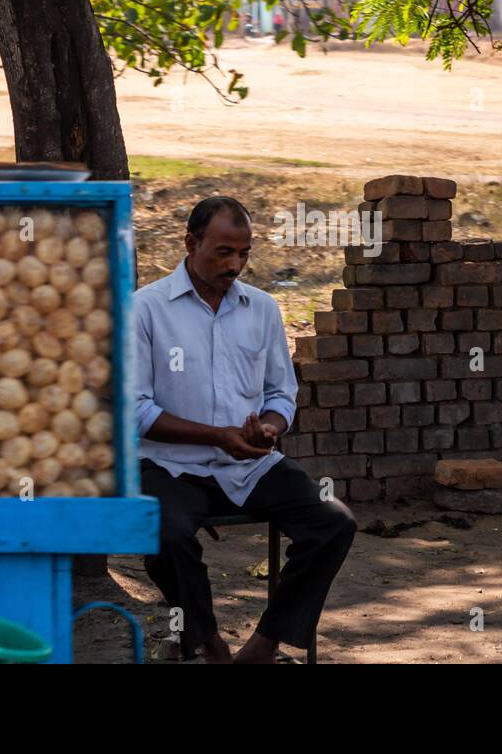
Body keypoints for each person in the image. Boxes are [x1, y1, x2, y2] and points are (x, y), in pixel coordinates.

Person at [133, 195, 356, 662]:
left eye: (244, 253)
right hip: (170, 466)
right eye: (223, 252)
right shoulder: (146, 309)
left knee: (333, 523)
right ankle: (211, 645)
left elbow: (280, 393)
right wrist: (217, 436)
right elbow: (134, 411)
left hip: (250, 466)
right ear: (191, 243)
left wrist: (270, 429)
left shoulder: (262, 309)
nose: (235, 265)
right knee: (164, 535)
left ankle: (262, 647)